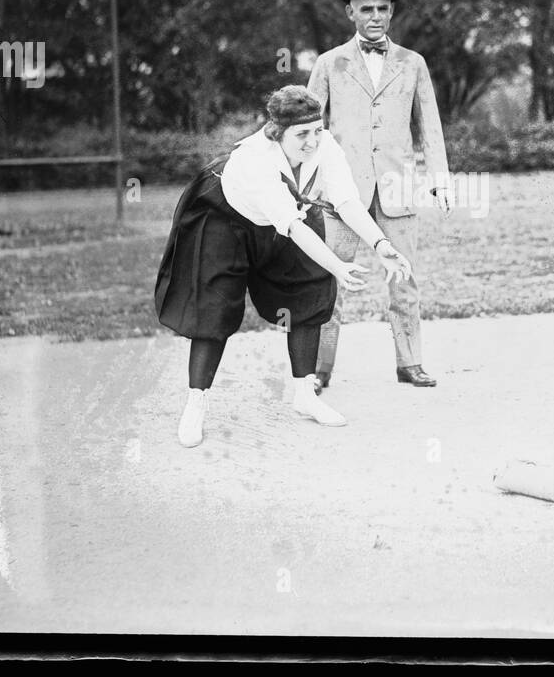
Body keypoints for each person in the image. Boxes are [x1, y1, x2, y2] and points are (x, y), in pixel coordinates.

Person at [154, 85, 412, 448]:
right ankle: (196, 402)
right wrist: (339, 264)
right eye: (302, 134)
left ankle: (305, 394)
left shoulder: (326, 147)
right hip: (224, 219)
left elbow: (347, 201)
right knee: (213, 306)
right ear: (277, 132)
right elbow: (291, 226)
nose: (312, 141)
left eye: (317, 131)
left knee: (309, 286)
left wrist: (381, 245)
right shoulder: (255, 159)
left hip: (290, 216)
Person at [307, 0, 451, 391]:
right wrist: (305, 184)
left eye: (382, 9)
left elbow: (431, 126)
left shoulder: (413, 64)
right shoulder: (329, 64)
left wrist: (439, 178)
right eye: (366, 8)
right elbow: (308, 128)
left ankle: (410, 364)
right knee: (330, 278)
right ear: (350, 12)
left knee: (404, 277)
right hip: (341, 193)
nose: (375, 16)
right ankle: (319, 369)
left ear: (391, 13)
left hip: (398, 187)